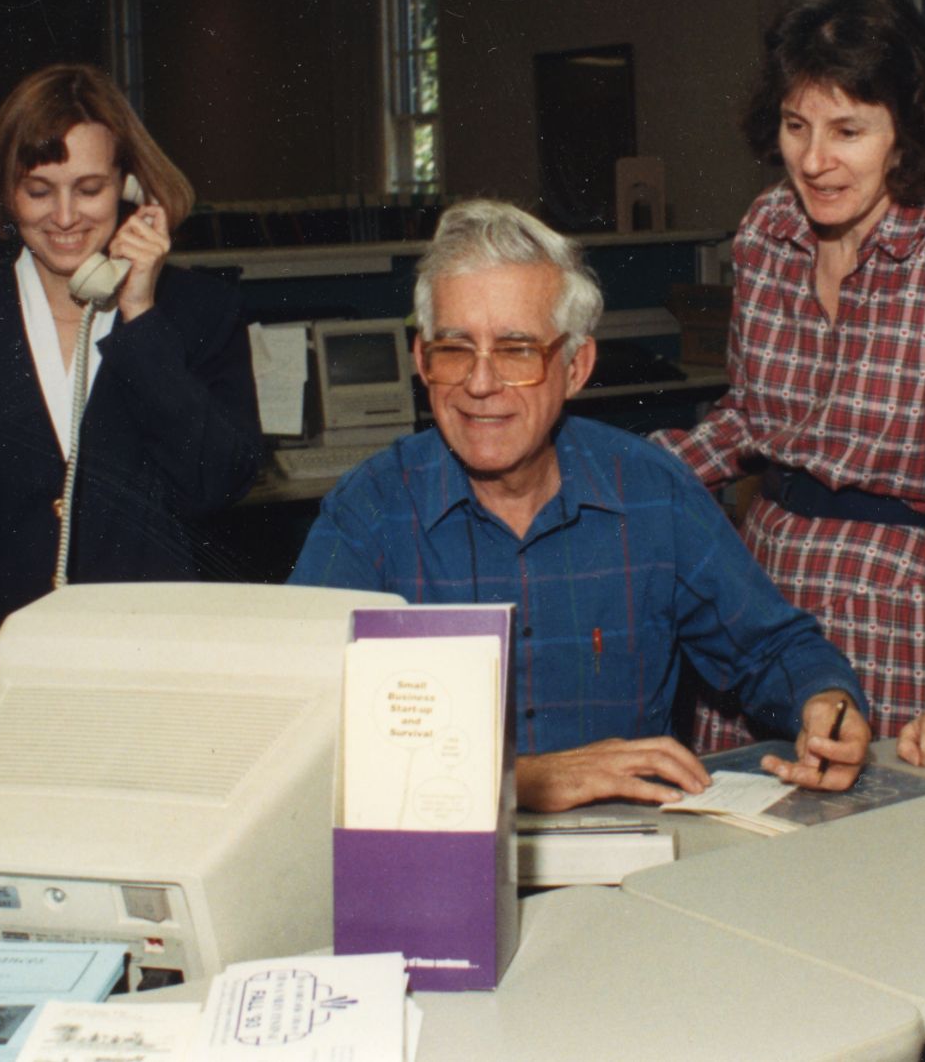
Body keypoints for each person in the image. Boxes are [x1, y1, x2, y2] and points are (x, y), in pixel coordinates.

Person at [289, 200, 872, 813]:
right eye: (455, 349)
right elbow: (297, 728)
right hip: (440, 863)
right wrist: (527, 779)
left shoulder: (651, 490)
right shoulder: (370, 513)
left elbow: (772, 648)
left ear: (576, 366)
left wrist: (824, 703)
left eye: (516, 351)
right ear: (421, 361)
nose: (480, 384)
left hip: (632, 864)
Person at [655, 0, 925, 768]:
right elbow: (754, 417)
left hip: (902, 620)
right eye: (796, 126)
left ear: (906, 130)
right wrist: (625, 473)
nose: (813, 159)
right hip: (763, 609)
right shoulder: (768, 228)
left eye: (847, 130)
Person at [0, 64, 263, 702]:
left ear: (130, 187)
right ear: (7, 193)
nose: (64, 216)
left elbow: (214, 483)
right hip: (6, 669)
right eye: (39, 190)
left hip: (165, 668)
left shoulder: (200, 313)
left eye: (88, 188)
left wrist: (140, 316)